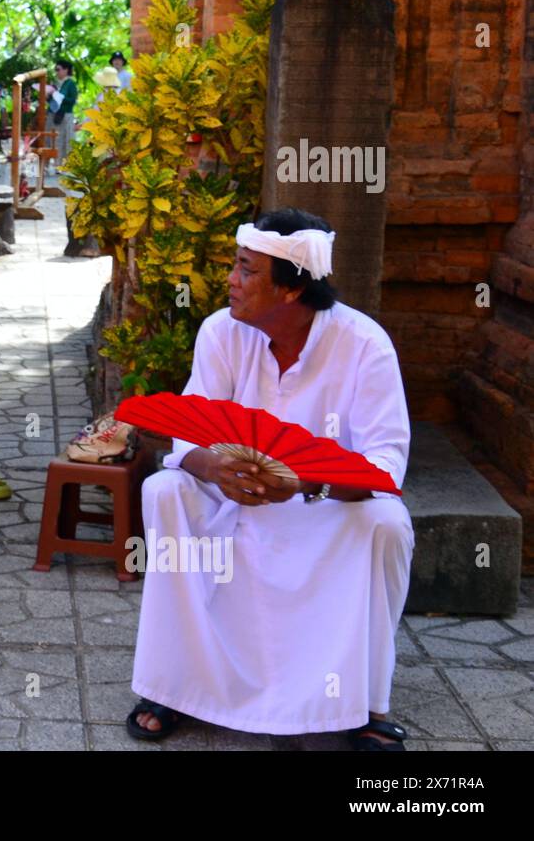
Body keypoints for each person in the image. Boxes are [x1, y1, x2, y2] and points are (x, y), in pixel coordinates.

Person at [127, 208, 414, 751]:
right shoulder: (221, 333)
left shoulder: (365, 346)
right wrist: (213, 466)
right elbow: (189, 431)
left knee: (388, 523)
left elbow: (384, 467)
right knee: (163, 489)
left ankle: (362, 704)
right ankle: (173, 683)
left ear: (289, 291)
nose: (230, 282)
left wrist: (306, 483)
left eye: (245, 270)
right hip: (231, 499)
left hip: (325, 508)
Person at [46, 59, 78, 171]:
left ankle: (61, 166)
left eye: (58, 69)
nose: (56, 72)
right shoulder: (56, 83)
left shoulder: (70, 83)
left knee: (64, 140)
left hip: (65, 116)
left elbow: (72, 100)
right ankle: (53, 164)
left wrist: (59, 96)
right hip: (53, 115)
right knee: (51, 140)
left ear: (66, 70)